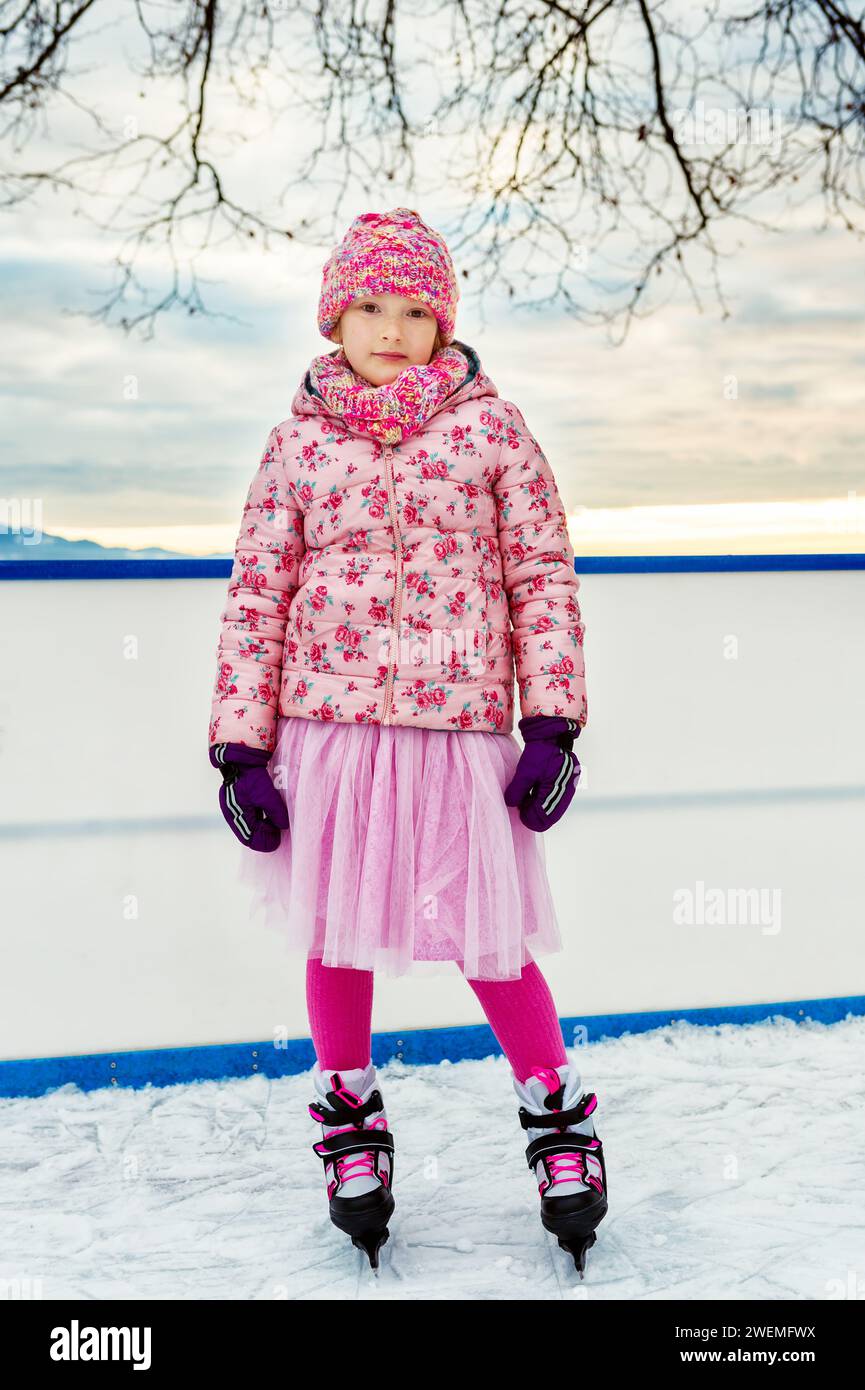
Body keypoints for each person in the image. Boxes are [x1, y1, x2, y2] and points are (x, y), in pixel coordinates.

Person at [208, 208, 608, 1274]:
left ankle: (556, 1115)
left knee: (489, 934)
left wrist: (552, 722)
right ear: (335, 315)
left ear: (446, 322)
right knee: (336, 930)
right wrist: (240, 750)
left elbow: (542, 579)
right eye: (371, 305)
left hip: (456, 728)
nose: (393, 327)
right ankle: (348, 1114)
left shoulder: (491, 430)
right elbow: (258, 595)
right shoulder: (297, 442)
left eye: (417, 308)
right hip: (329, 731)